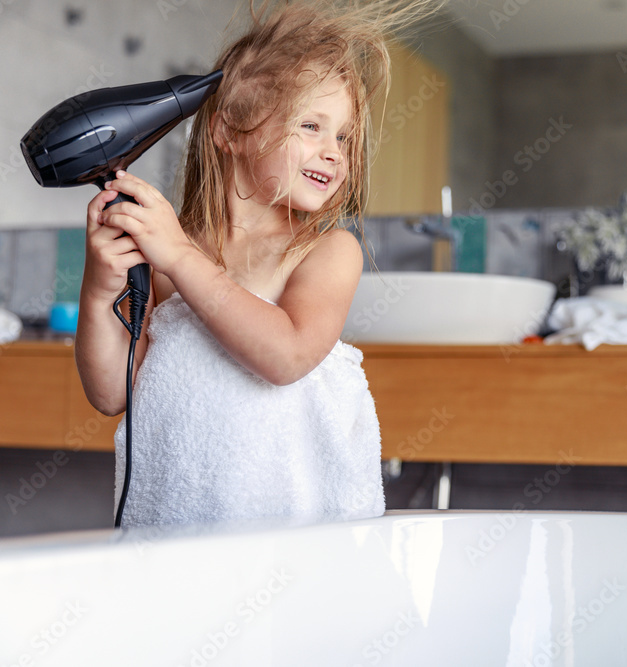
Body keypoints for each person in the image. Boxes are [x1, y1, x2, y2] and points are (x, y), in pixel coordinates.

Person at [74, 0, 437, 527]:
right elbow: (112, 392)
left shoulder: (326, 251)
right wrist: (99, 285)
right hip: (175, 530)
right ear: (229, 131)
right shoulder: (169, 256)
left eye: (343, 136)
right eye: (311, 125)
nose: (335, 152)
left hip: (291, 539)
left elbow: (286, 356)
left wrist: (178, 255)